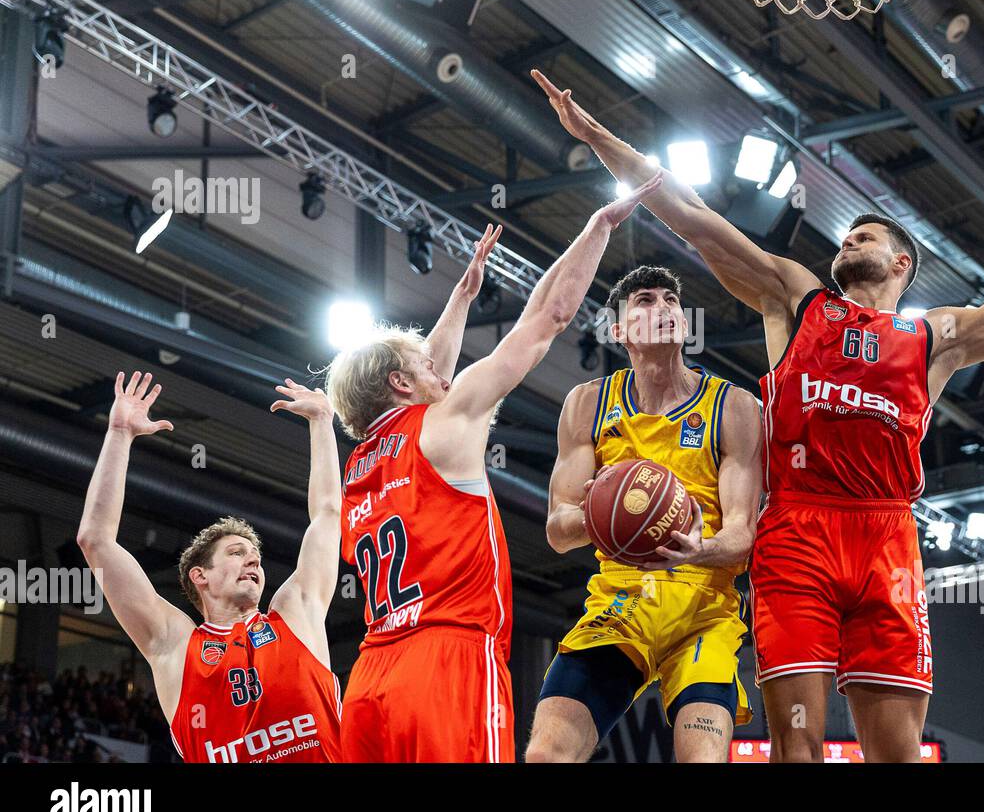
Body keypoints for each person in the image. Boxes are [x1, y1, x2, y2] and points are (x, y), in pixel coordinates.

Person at [532, 67, 984, 762]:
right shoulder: (798, 301)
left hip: (887, 537)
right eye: (845, 237)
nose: (847, 242)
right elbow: (693, 216)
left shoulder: (934, 338)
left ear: (902, 263)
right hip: (798, 530)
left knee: (897, 752)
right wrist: (600, 137)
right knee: (797, 742)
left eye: (864, 238)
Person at [326, 179, 661, 762]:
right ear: (403, 385)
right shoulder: (444, 424)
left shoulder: (356, 468)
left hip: (372, 677)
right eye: (425, 367)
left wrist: (459, 301)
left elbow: (426, 385)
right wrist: (598, 228)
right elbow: (548, 318)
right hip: (448, 655)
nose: (442, 370)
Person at [526, 265, 762, 763]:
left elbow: (743, 535)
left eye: (671, 301)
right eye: (646, 301)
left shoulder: (735, 406)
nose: (664, 309)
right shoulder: (588, 403)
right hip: (622, 602)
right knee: (548, 754)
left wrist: (701, 548)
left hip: (703, 609)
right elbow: (557, 532)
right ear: (618, 330)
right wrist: (596, 513)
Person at [77, 372, 344, 763]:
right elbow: (95, 541)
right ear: (199, 576)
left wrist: (322, 423)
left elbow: (328, 513)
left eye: (255, 555)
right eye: (237, 552)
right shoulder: (175, 644)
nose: (253, 559)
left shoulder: (295, 612)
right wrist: (118, 433)